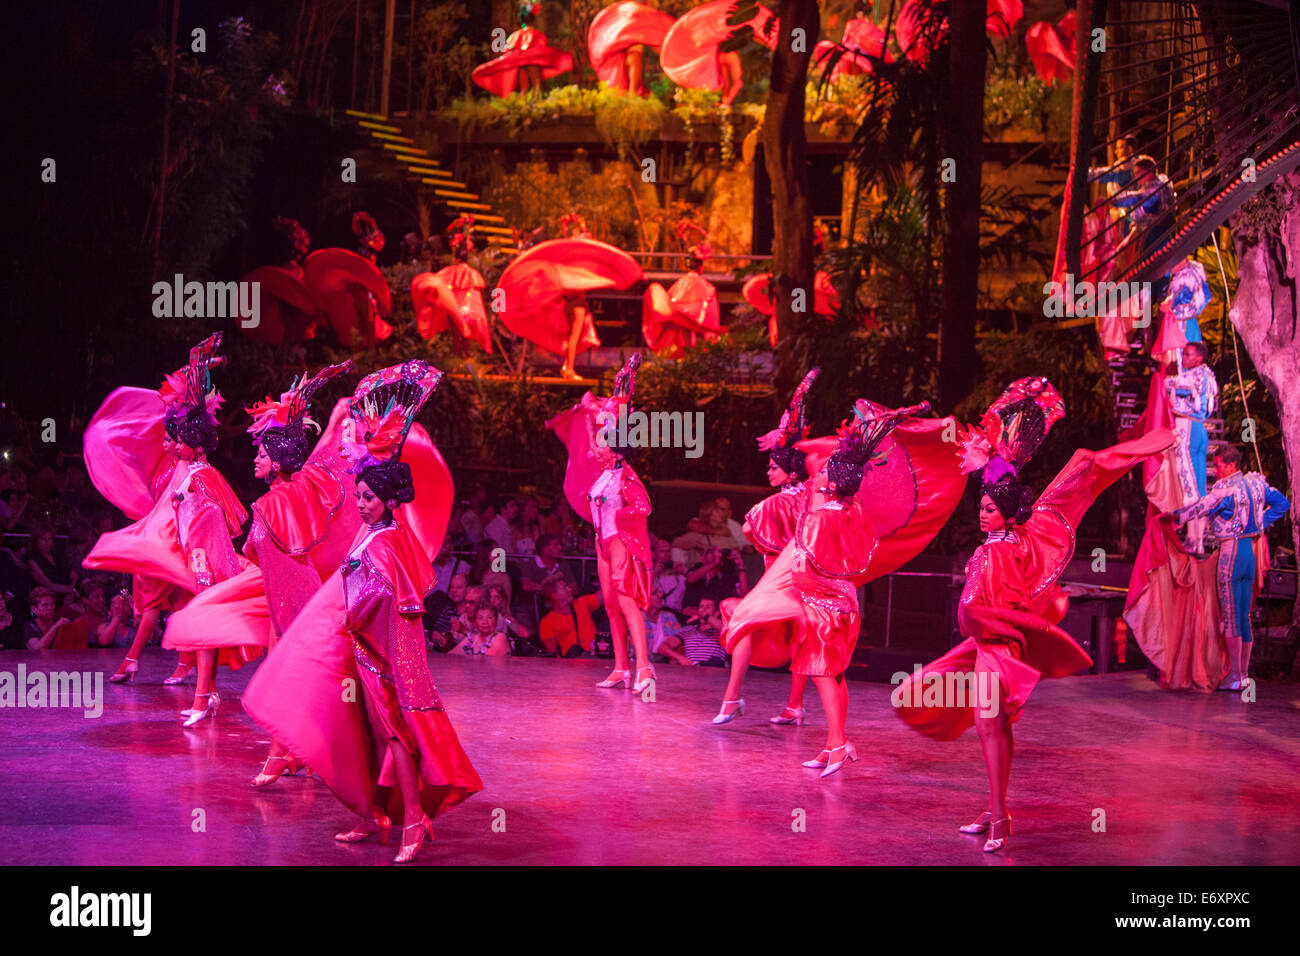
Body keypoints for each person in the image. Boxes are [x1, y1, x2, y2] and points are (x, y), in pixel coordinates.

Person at [894, 379, 1174, 853]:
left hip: (998, 649)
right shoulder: (998, 544)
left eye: (989, 507)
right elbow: (1002, 498)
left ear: (1005, 511)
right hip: (985, 646)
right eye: (979, 508)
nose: (982, 513)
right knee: (992, 729)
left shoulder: (1011, 546)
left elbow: (994, 596)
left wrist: (991, 462)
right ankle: (996, 808)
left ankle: (1000, 816)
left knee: (988, 726)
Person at [242, 359, 481, 864]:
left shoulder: (390, 541)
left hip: (389, 659)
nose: (364, 503)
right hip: (365, 654)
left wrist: (353, 624)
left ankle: (415, 821)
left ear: (390, 500)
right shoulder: (369, 533)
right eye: (362, 495)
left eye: (370, 497)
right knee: (371, 737)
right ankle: (377, 817)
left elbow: (399, 603)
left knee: (396, 737)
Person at [716, 394, 967, 773]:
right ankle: (835, 744)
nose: (815, 475)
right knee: (834, 676)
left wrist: (782, 593)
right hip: (846, 605)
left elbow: (805, 561)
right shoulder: (856, 513)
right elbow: (858, 558)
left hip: (822, 607)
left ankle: (838, 744)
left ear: (832, 484)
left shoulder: (817, 520)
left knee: (821, 676)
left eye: (822, 472)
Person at [165, 362, 357, 777]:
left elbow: (251, 547)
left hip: (294, 599)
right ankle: (293, 751)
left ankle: (280, 753)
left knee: (286, 680)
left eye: (263, 454)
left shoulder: (271, 504)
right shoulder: (294, 495)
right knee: (287, 678)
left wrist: (214, 575)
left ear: (280, 459)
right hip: (281, 597)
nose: (255, 458)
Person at [82, 334, 224, 686]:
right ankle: (180, 663)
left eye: (172, 438)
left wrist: (197, 381)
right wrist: (193, 374)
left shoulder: (186, 466)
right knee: (166, 605)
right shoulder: (166, 466)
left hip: (177, 543)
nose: (166, 442)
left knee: (156, 607)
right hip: (160, 539)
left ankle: (136, 661)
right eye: (166, 438)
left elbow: (193, 429)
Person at [547, 352, 656, 694]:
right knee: (610, 606)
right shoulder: (603, 476)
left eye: (599, 443)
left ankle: (646, 668)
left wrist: (621, 517)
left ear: (614, 447)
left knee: (628, 604)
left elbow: (643, 508)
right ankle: (621, 667)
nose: (594, 447)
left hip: (620, 543)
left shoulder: (625, 477)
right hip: (602, 544)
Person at [719, 368, 818, 724]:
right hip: (808, 578)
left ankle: (732, 699)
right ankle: (794, 705)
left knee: (740, 619)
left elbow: (748, 530)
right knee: (802, 639)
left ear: (790, 472)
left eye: (773, 467)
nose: (768, 473)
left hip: (780, 580)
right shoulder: (811, 497)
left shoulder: (774, 505)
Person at [1174, 444, 1290, 691]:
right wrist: (1260, 523)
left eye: (1218, 465)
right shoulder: (1257, 484)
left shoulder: (1225, 491)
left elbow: (1199, 508)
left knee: (1232, 617)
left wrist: (1173, 517)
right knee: (1244, 617)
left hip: (1231, 555)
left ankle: (1235, 677)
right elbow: (1283, 504)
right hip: (1250, 555)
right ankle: (1243, 675)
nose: (1215, 470)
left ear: (1231, 465)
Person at [1165, 342, 1218, 555]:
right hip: (1197, 429)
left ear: (1198, 358)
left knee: (1189, 485)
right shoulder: (1206, 374)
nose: (1183, 359)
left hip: (1188, 428)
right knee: (1197, 486)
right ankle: (1194, 539)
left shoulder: (1196, 375)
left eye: (1187, 355)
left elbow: (1172, 384)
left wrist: (1164, 380)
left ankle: (1194, 539)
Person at [538, 577, 600, 657]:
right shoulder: (547, 622)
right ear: (555, 596)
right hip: (572, 666)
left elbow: (605, 593)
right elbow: (552, 655)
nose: (569, 589)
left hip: (597, 659)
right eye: (564, 587)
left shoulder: (582, 603)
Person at [660, 597, 726, 666]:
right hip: (690, 670)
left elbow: (725, 629)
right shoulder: (688, 629)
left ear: (716, 613)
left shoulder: (720, 630)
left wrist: (704, 615)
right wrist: (679, 657)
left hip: (712, 671)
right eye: (701, 607)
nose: (703, 610)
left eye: (708, 607)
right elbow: (662, 647)